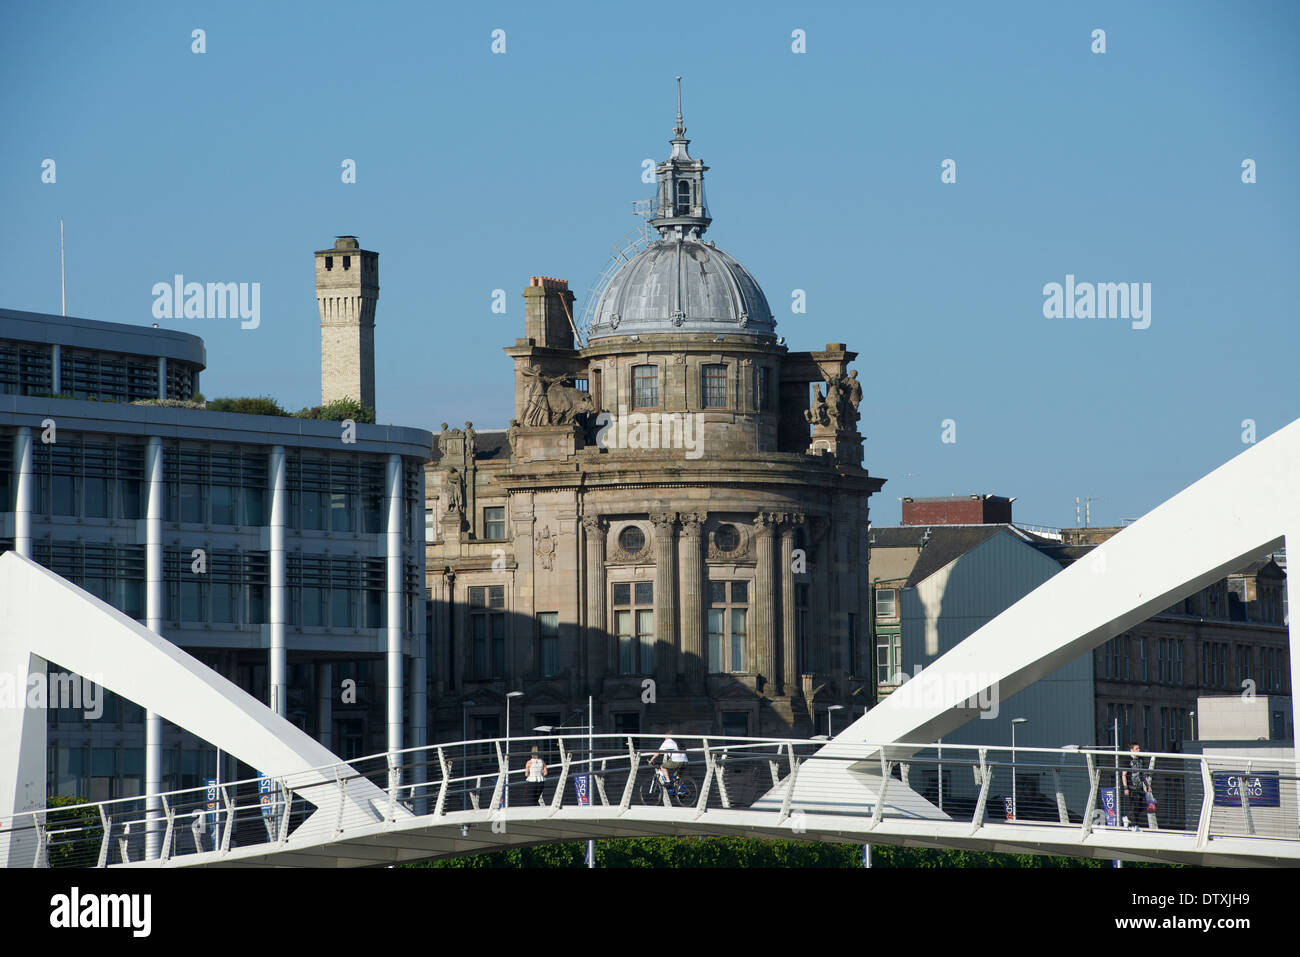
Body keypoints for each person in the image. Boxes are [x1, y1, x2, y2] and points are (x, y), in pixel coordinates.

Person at [1122, 742, 1149, 831]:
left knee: (1141, 806)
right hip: (1131, 787)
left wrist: (1147, 785)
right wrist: (1125, 787)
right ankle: (1134, 825)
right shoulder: (1127, 760)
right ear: (1131, 750)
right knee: (1134, 806)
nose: (1139, 750)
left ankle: (1127, 818)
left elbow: (1143, 773)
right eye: (1136, 749)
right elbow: (1124, 774)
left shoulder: (1141, 759)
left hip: (1140, 786)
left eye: (1139, 748)